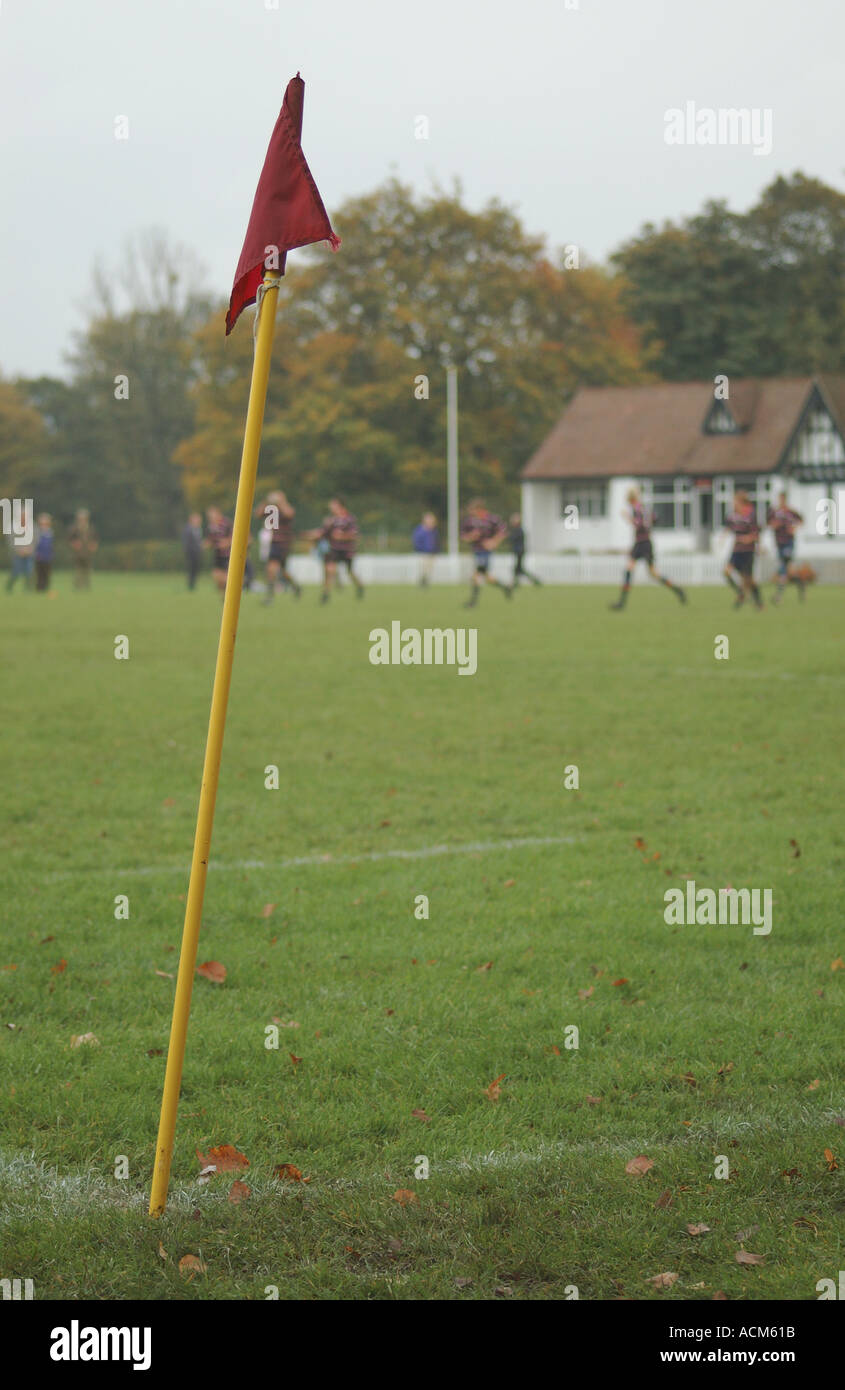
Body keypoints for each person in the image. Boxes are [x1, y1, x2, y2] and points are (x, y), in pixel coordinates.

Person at [609, 487, 686, 610]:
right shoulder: (644, 508)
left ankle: (622, 603)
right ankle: (678, 590)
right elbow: (655, 518)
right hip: (644, 542)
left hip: (642, 543)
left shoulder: (636, 509)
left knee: (644, 572)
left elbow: (638, 525)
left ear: (630, 498)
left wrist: (627, 518)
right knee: (636, 570)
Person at [307, 498, 364, 604]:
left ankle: (360, 586)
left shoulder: (350, 519)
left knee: (350, 572)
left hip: (347, 550)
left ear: (340, 506)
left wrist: (342, 536)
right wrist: (310, 535)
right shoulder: (330, 520)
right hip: (333, 549)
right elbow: (322, 532)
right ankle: (325, 594)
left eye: (333, 505)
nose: (331, 508)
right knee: (329, 570)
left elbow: (355, 535)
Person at [460, 499, 511, 607]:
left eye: (473, 510)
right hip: (476, 551)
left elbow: (503, 532)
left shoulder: (492, 519)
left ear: (479, 509)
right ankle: (505, 587)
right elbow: (463, 536)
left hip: (485, 552)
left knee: (476, 575)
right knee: (487, 578)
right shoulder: (469, 521)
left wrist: (494, 541)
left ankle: (473, 602)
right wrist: (471, 537)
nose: (471, 513)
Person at [256, 489, 301, 602]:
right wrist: (266, 501)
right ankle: (296, 587)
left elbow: (289, 513)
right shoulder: (272, 510)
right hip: (273, 542)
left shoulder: (284, 508)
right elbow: (258, 513)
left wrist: (281, 501)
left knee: (272, 568)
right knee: (281, 570)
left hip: (283, 543)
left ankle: (270, 596)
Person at [722, 489, 763, 609]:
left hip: (748, 551)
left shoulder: (751, 515)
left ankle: (759, 603)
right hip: (736, 550)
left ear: (741, 502)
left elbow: (756, 533)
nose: (733, 504)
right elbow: (728, 527)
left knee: (748, 580)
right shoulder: (733, 516)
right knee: (727, 571)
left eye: (735, 501)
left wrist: (750, 540)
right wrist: (723, 537)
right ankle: (741, 593)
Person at [767, 492, 805, 604]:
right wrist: (775, 525)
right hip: (779, 542)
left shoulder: (791, 512)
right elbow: (769, 524)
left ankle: (778, 596)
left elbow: (801, 521)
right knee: (790, 570)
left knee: (783, 567)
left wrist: (794, 528)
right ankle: (801, 585)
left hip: (789, 542)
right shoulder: (774, 512)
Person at [205, 505, 233, 597]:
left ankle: (228, 596)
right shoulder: (211, 527)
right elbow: (210, 540)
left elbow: (234, 538)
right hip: (217, 555)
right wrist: (206, 544)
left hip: (227, 555)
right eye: (209, 517)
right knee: (216, 577)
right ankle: (224, 598)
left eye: (212, 515)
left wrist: (226, 543)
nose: (211, 518)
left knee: (225, 579)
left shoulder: (227, 523)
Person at [508, 512, 542, 588]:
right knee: (518, 569)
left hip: (519, 551)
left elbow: (512, 539)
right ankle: (516, 583)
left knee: (518, 569)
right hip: (518, 551)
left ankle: (516, 583)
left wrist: (509, 536)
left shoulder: (519, 530)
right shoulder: (516, 529)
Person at [68, 508, 98, 589]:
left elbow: (95, 539)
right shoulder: (74, 529)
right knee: (78, 570)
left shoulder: (91, 528)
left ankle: (87, 585)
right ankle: (78, 586)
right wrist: (74, 544)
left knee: (88, 570)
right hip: (77, 553)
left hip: (88, 553)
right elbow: (70, 539)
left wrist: (93, 546)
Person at [412, 512, 439, 586]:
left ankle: (425, 583)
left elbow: (436, 541)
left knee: (429, 569)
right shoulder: (420, 530)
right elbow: (416, 541)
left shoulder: (434, 530)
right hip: (422, 552)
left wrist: (436, 550)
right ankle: (422, 583)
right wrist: (419, 549)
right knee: (423, 569)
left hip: (432, 552)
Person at [182, 512, 204, 590]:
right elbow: (186, 542)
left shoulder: (198, 529)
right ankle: (190, 584)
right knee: (191, 568)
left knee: (196, 568)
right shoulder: (188, 529)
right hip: (191, 553)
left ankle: (193, 583)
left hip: (197, 552)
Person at [34, 513, 54, 592]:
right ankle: (39, 589)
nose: (44, 525)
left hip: (48, 557)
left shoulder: (50, 533)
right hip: (39, 557)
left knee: (47, 574)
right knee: (39, 574)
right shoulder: (37, 532)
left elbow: (50, 545)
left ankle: (46, 589)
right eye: (42, 523)